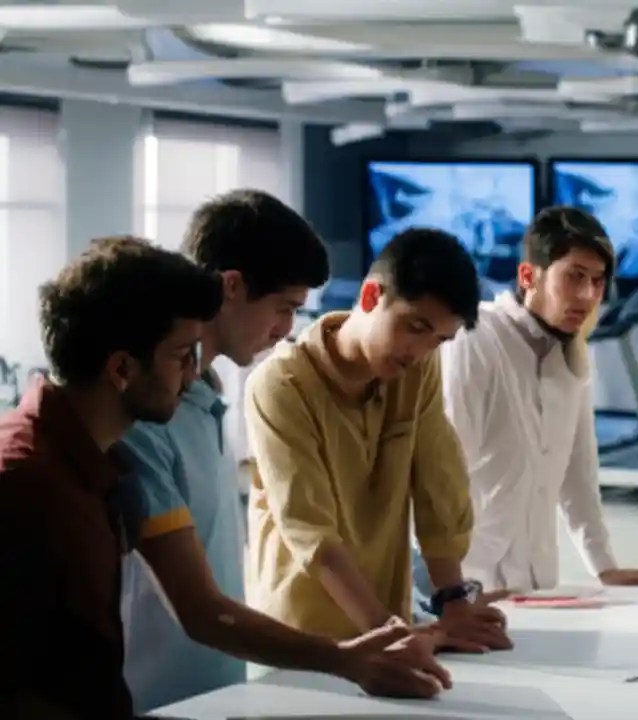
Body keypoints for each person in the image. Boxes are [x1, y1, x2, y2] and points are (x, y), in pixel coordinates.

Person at [0, 237, 444, 720]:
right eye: (179, 356)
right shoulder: (26, 483)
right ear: (122, 369)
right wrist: (343, 658)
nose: (192, 375)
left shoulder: (98, 462)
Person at [119, 190, 424, 710]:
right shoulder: (148, 416)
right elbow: (198, 609)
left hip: (220, 694)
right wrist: (343, 656)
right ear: (231, 287)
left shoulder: (208, 395)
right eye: (284, 308)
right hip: (159, 702)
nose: (286, 331)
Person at [243, 226, 512, 656]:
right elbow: (312, 533)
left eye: (438, 340)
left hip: (390, 627)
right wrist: (391, 635)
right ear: (370, 297)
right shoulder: (281, 385)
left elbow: (438, 489)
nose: (420, 350)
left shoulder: (417, 369)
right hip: (304, 641)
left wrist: (453, 600)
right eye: (414, 327)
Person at [438, 206, 638, 592]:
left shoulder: (570, 354)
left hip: (537, 579)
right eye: (575, 277)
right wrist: (446, 589)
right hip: (466, 579)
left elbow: (579, 472)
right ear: (528, 275)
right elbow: (445, 471)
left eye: (597, 281)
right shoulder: (477, 338)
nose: (588, 295)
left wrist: (604, 566)